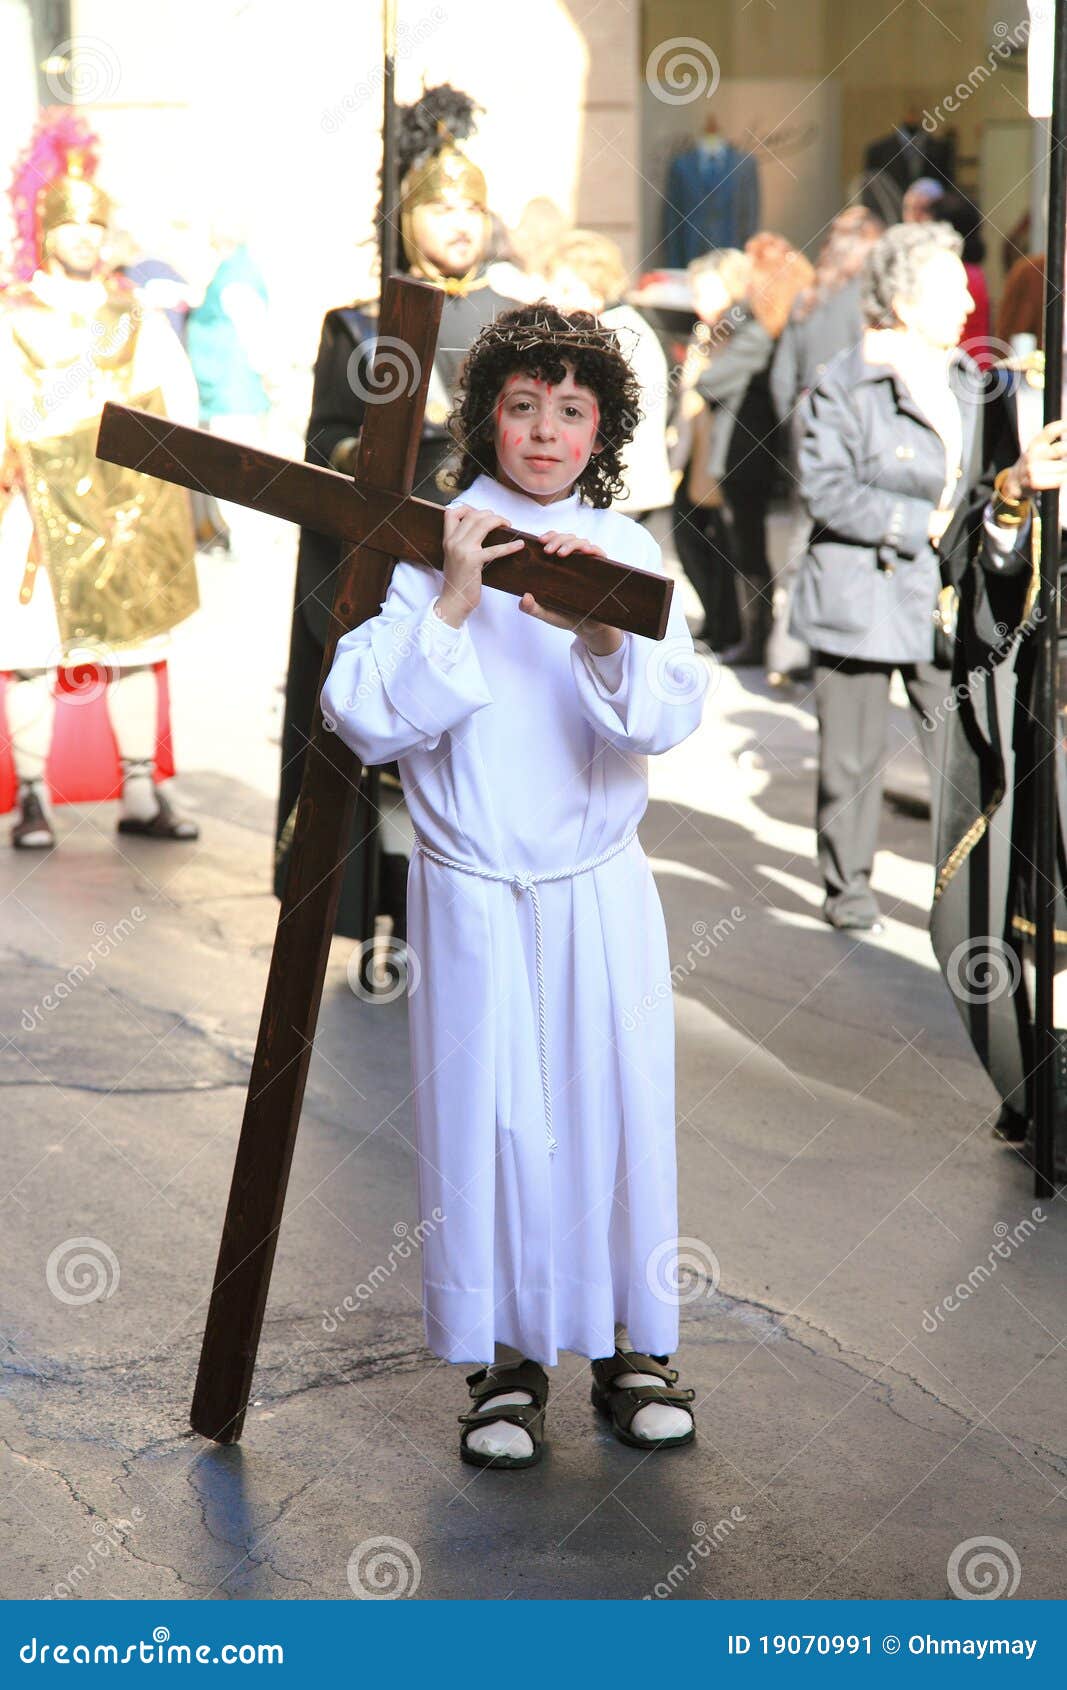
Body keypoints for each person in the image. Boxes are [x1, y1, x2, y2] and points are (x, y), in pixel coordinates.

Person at [321, 304, 708, 1468]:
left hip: (594, 888)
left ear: (603, 429)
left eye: (572, 410)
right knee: (492, 1125)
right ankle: (507, 1364)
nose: (545, 431)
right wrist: (447, 597)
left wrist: (597, 636)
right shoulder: (424, 543)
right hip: (475, 891)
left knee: (615, 1110)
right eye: (524, 405)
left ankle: (633, 1347)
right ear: (487, 415)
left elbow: (667, 709)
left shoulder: (628, 552)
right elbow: (363, 716)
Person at [275, 83, 516, 942]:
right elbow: (321, 445)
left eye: (473, 206)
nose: (458, 220)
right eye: (439, 206)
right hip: (380, 566)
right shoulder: (361, 325)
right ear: (405, 217)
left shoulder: (520, 322)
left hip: (483, 575)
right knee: (378, 727)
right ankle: (372, 910)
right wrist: (379, 455)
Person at [0, 108, 201, 848]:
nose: (84, 236)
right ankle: (31, 798)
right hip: (35, 508)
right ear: (46, 230)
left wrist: (185, 478)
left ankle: (142, 793)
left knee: (136, 647)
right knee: (30, 657)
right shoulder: (12, 313)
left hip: (127, 509)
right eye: (69, 224)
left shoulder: (132, 312)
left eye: (94, 225)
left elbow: (174, 398)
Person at [790, 221, 979, 933]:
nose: (967, 304)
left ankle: (962, 893)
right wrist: (919, 524)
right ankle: (848, 894)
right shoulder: (842, 382)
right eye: (951, 290)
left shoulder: (971, 378)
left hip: (942, 598)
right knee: (850, 762)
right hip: (856, 595)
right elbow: (825, 490)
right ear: (902, 302)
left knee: (963, 753)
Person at [931, 343, 1067, 1179]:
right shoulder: (1013, 398)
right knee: (1045, 938)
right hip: (1052, 723)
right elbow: (982, 585)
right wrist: (1015, 497)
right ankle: (1047, 1100)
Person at [684, 234, 813, 666]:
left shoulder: (761, 333)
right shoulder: (760, 328)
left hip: (747, 455)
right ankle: (752, 634)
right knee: (742, 546)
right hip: (744, 454)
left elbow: (710, 381)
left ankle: (758, 637)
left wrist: (707, 360)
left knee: (748, 549)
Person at [770, 206, 884, 682]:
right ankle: (834, 653)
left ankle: (787, 654)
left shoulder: (808, 298)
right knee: (843, 532)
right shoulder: (868, 302)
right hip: (856, 425)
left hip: (805, 417)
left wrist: (797, 425)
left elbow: (781, 378)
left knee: (803, 534)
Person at [542, 229, 674, 520]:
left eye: (565, 289)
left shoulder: (617, 334)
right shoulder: (619, 324)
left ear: (595, 289)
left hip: (616, 486)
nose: (553, 300)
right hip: (617, 484)